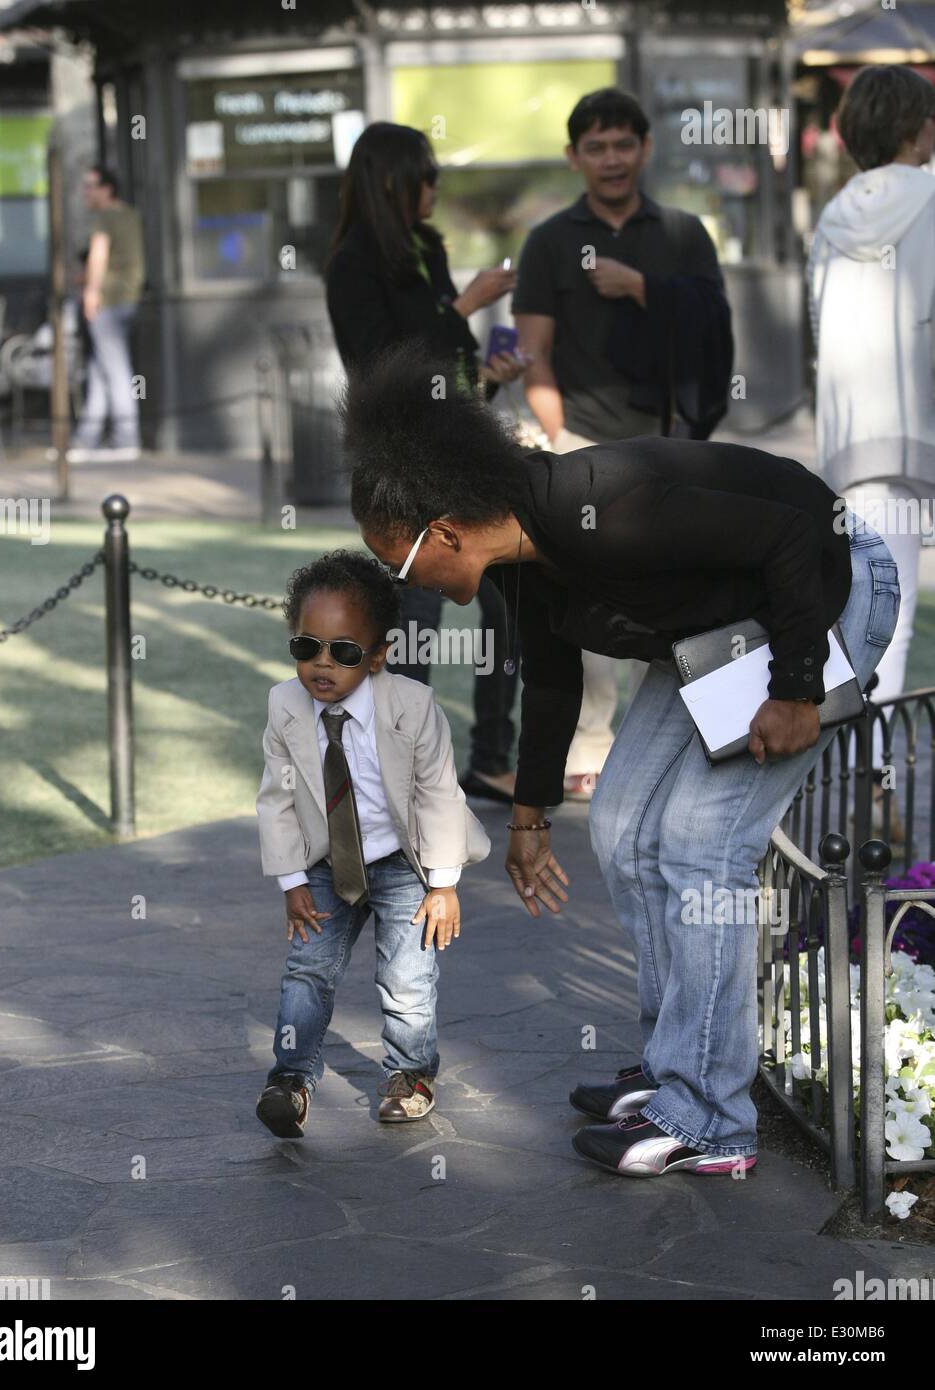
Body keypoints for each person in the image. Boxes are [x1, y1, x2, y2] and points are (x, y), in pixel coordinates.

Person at [341, 342, 899, 1177]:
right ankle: (676, 1062)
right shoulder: (520, 552)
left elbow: (792, 531)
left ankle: (711, 1118)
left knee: (701, 845)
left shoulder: (610, 504)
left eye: (401, 564)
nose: (400, 583)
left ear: (445, 531)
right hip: (724, 630)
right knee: (622, 826)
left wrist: (795, 690)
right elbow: (551, 676)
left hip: (825, 590)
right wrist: (528, 819)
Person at [513, 88, 733, 801]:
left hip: (664, 448)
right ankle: (592, 743)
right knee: (584, 599)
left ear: (644, 148)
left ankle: (673, 738)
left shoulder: (681, 232)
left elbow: (712, 330)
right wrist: (556, 439)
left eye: (622, 143)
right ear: (574, 156)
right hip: (578, 442)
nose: (610, 159)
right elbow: (532, 353)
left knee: (672, 594)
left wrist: (643, 286)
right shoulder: (549, 240)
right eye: (595, 146)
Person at [254, 550, 491, 1137]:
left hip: (403, 862)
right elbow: (277, 798)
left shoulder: (412, 707)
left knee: (407, 975)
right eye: (306, 648)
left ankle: (410, 1073)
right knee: (307, 968)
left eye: (344, 651)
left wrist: (443, 884)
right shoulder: (285, 706)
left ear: (380, 654)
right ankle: (290, 1080)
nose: (322, 665)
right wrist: (291, 883)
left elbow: (438, 795)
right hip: (324, 861)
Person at [325, 121, 528, 807]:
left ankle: (493, 757)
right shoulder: (355, 261)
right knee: (413, 623)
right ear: (390, 181)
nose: (435, 188)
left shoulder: (426, 248)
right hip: (402, 466)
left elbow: (444, 363)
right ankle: (400, 773)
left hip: (464, 452)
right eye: (424, 175)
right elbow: (387, 365)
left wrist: (488, 379)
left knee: (508, 600)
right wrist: (462, 306)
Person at [808, 64, 935, 838]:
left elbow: (818, 332)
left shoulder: (831, 215)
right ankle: (876, 785)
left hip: (851, 442)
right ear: (917, 127)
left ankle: (864, 777)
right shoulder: (929, 200)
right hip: (917, 435)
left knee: (866, 618)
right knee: (897, 625)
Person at [67, 165, 144, 462]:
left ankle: (126, 440)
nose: (86, 192)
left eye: (91, 186)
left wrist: (91, 292)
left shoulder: (105, 218)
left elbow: (98, 257)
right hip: (127, 300)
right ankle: (86, 441)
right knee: (100, 371)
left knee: (116, 373)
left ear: (107, 188)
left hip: (108, 302)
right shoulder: (130, 215)